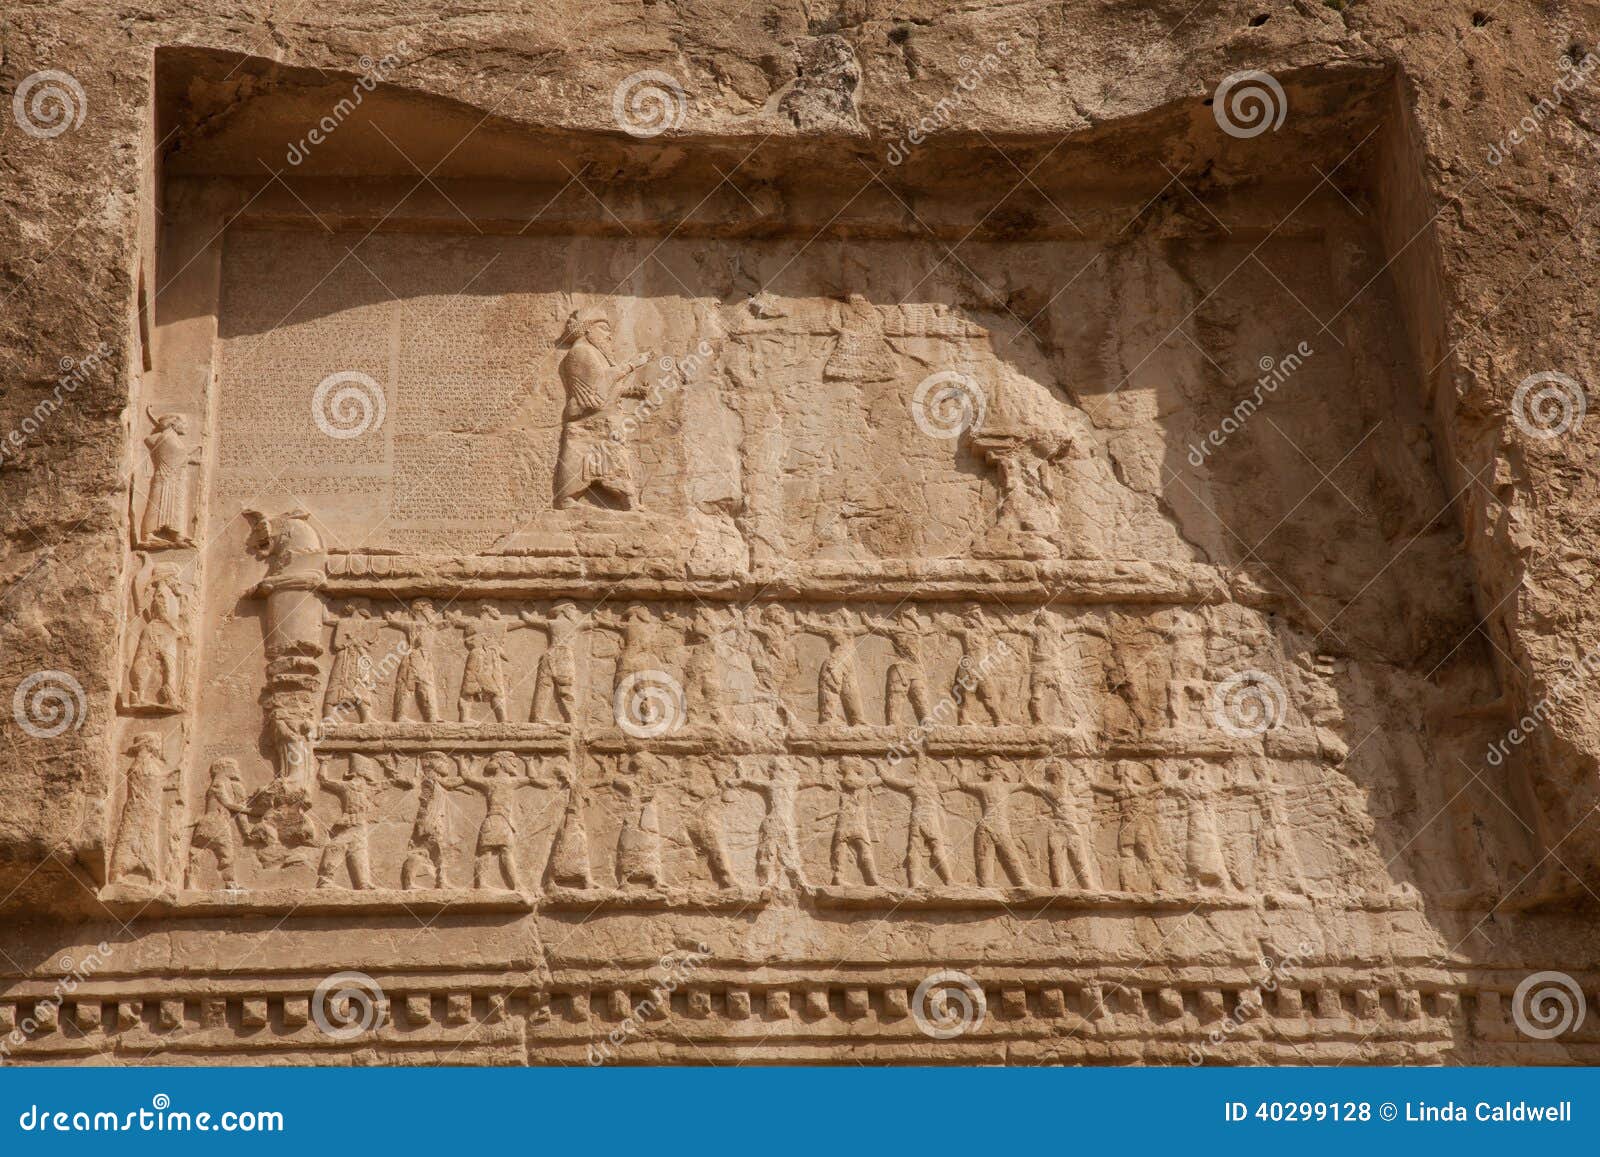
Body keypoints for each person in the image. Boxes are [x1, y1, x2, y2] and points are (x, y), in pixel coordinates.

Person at [552, 307, 652, 510]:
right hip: (587, 421)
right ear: (589, 330)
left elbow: (604, 389)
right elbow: (601, 384)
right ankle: (568, 500)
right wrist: (632, 365)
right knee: (580, 460)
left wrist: (632, 391)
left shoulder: (593, 353)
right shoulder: (580, 352)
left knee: (615, 460)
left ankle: (629, 501)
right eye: (604, 329)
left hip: (601, 418)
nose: (609, 335)